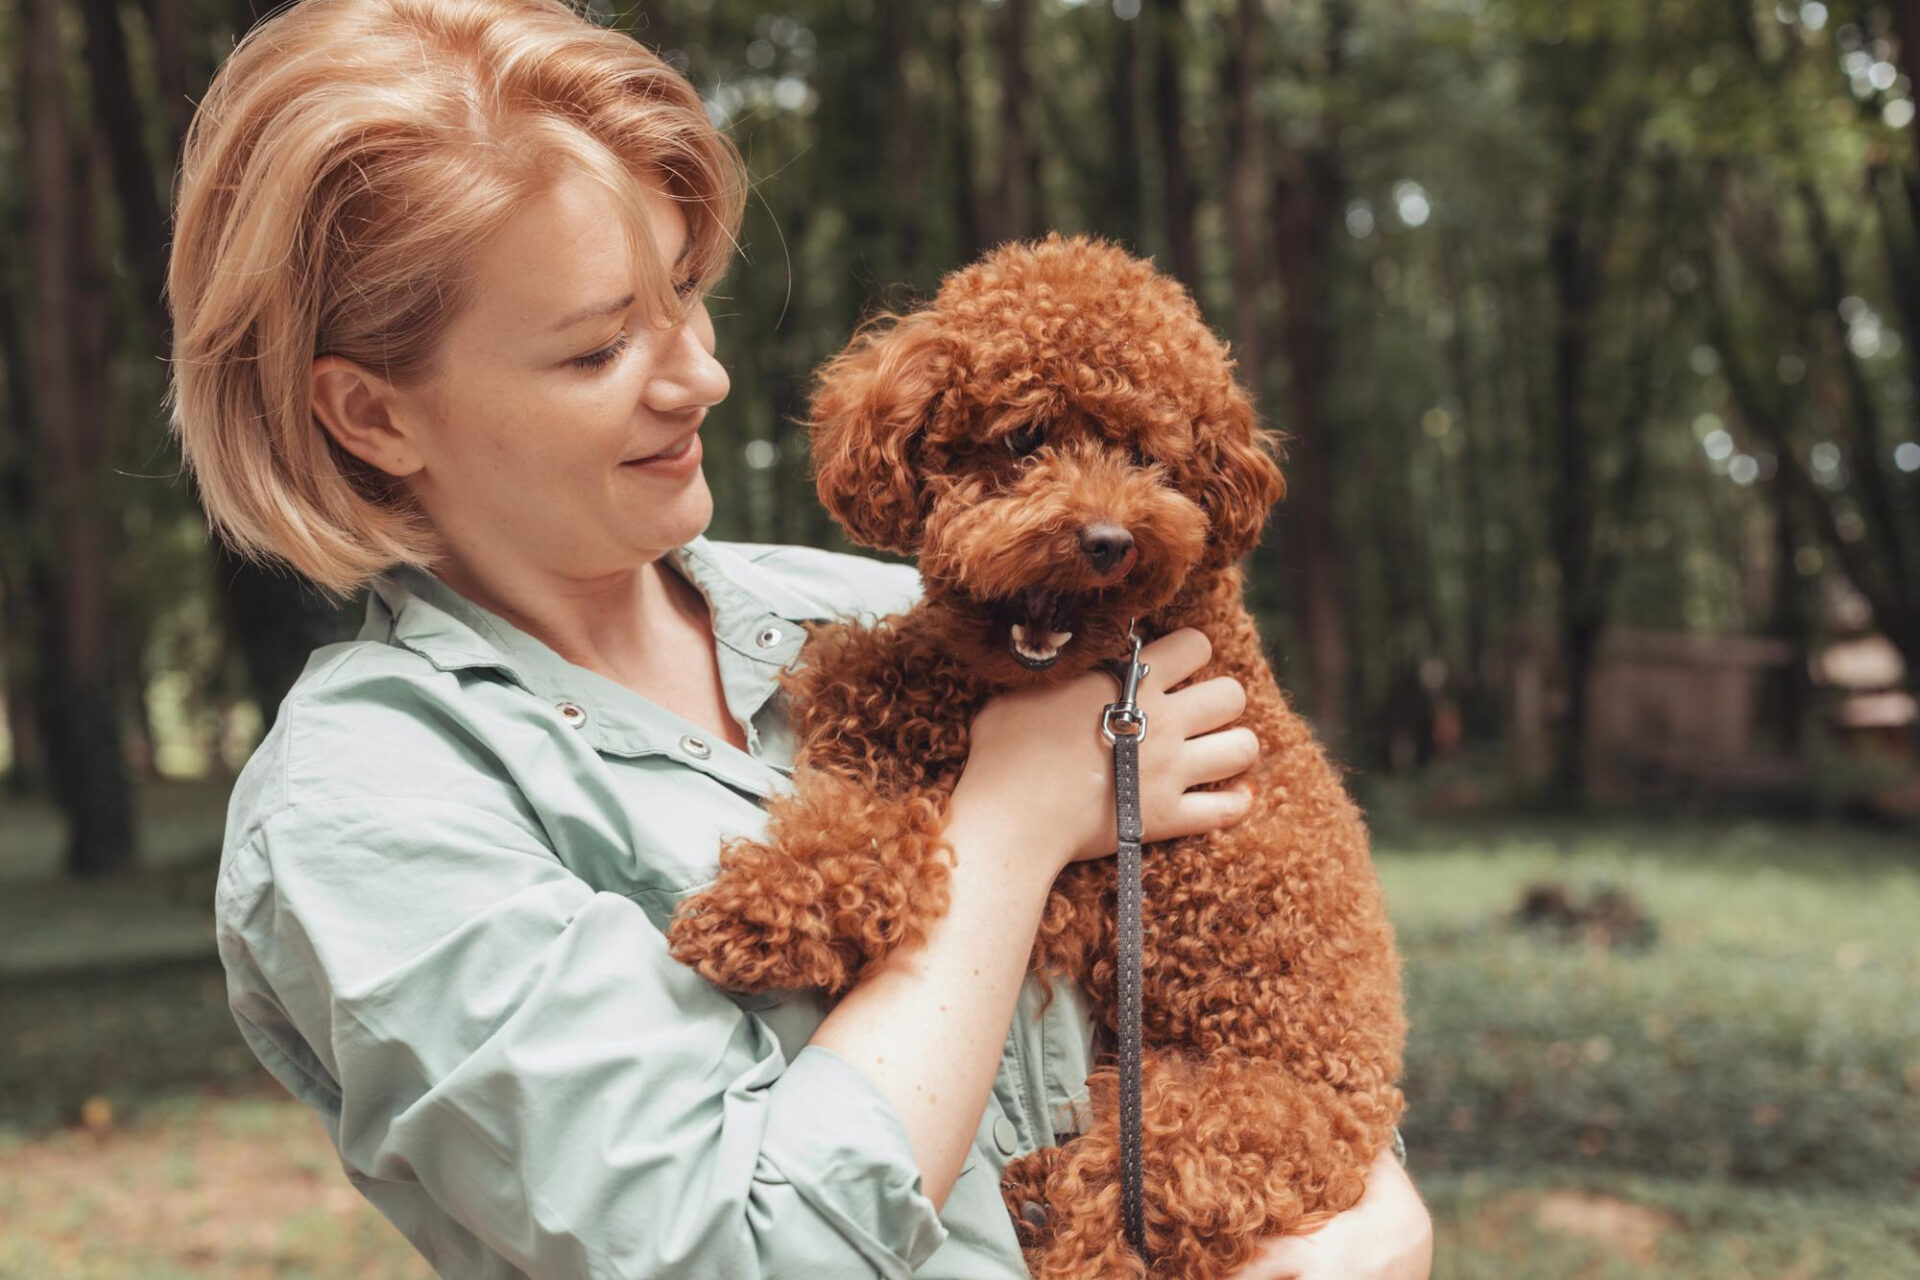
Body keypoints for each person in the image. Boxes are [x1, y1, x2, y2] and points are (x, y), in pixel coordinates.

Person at [166, 1, 1434, 1277]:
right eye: (601, 345)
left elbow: (1275, 1009)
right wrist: (1013, 820)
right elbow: (744, 1251)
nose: (700, 376)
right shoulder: (369, 805)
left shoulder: (887, 613)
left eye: (685, 295)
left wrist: (1368, 1231)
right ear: (371, 414)